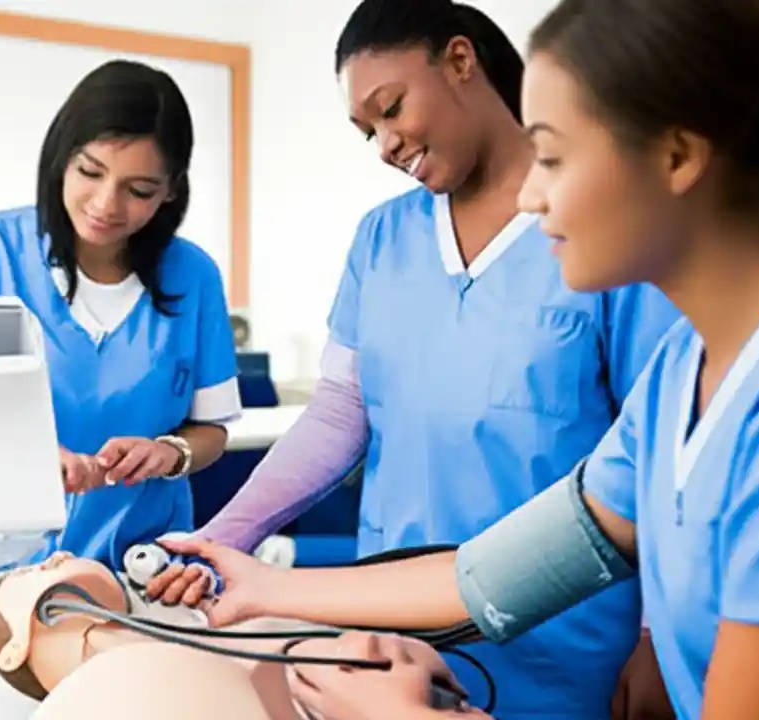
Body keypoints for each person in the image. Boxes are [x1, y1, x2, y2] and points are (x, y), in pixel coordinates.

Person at [158, 0, 759, 718]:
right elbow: (488, 575)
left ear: (677, 156)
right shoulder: (683, 377)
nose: (531, 195)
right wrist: (257, 584)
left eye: (551, 156)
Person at [149, 1, 681, 717]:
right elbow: (339, 414)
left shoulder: (595, 231)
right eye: (366, 131)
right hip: (392, 637)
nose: (384, 144)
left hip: (569, 643)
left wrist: (657, 636)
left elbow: (663, 460)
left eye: (391, 108)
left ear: (461, 61)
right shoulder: (382, 239)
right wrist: (222, 539)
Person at [0, 60, 242, 569]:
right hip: (4, 562)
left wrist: (169, 453)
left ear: (171, 191)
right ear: (61, 158)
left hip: (149, 563)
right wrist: (28, 457)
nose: (105, 204)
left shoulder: (193, 275)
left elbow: (210, 431)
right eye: (90, 173)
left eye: (139, 190)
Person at [0, 552, 464, 719]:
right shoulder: (92, 700)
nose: (54, 556)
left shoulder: (229, 633)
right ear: (13, 651)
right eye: (27, 572)